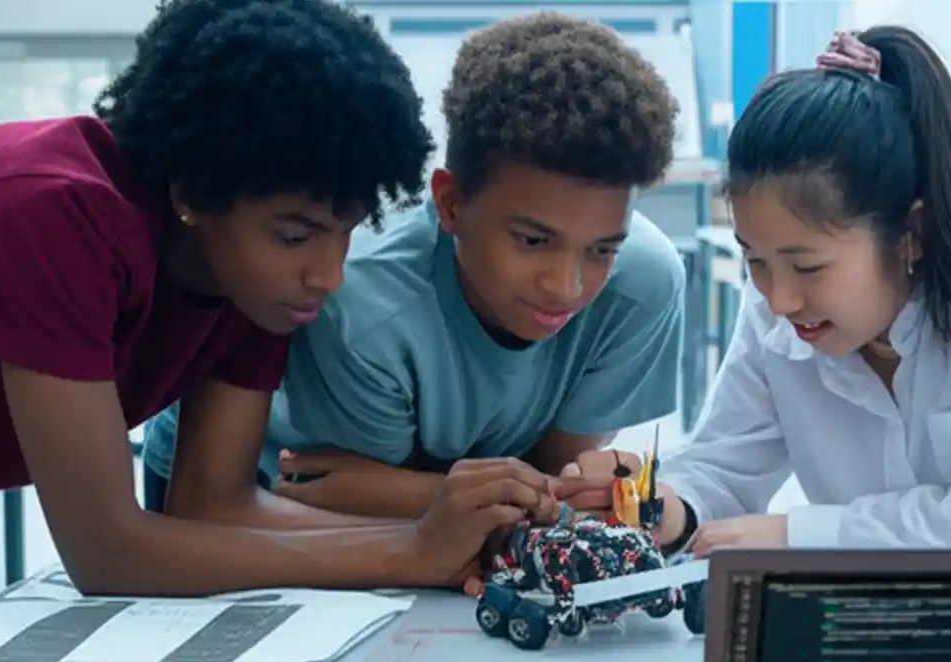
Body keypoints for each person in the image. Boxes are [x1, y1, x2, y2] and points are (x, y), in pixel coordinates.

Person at [0, 0, 557, 596]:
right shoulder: (52, 212)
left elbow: (215, 503)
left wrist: (443, 542)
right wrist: (410, 553)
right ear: (191, 193)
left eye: (346, 232)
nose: (329, 276)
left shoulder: (255, 280)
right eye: (296, 235)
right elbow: (105, 551)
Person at [567, 26, 951, 555]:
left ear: (909, 233)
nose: (779, 299)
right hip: (879, 624)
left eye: (808, 267)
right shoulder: (779, 308)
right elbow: (727, 462)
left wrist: (803, 532)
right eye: (755, 260)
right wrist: (666, 504)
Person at [140, 11, 685, 528]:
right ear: (449, 204)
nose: (567, 287)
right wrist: (503, 495)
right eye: (533, 240)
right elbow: (334, 496)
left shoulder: (642, 286)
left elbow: (547, 482)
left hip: (418, 497)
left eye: (601, 249)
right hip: (256, 490)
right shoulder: (359, 298)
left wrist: (492, 494)